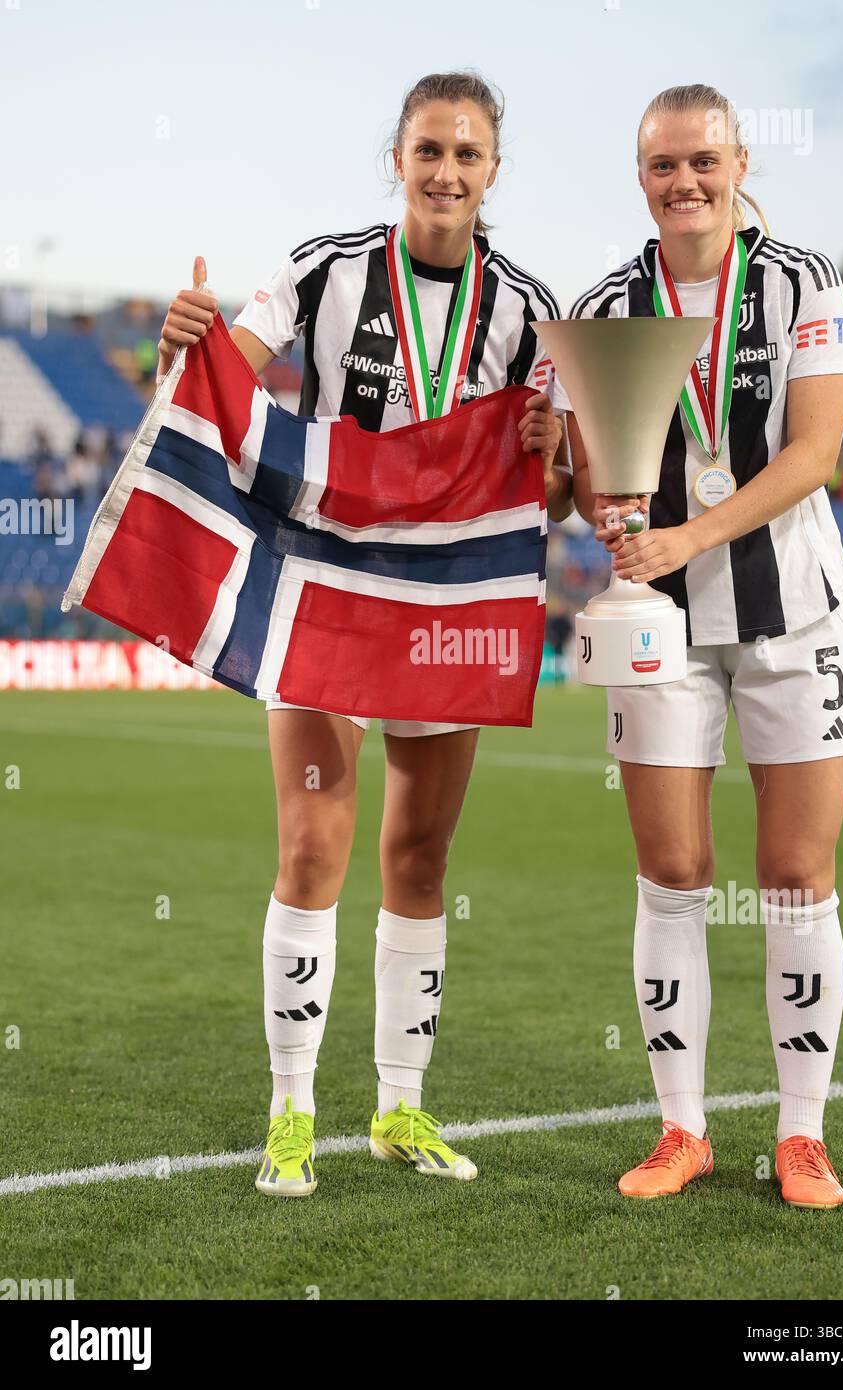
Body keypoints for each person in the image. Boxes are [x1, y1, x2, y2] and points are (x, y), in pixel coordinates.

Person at [157, 70, 572, 1198]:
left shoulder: (532, 307)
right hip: (330, 583)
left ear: (494, 171)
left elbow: (561, 494)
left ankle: (399, 1106)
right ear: (395, 156)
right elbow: (217, 383)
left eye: (468, 154)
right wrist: (177, 344)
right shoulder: (322, 268)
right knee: (311, 847)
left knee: (420, 856)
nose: (446, 171)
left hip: (451, 601)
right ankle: (291, 1111)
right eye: (428, 149)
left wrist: (558, 449)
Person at [561, 84, 843, 1209]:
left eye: (701, 162)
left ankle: (801, 1134)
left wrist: (690, 530)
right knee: (673, 874)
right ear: (638, 177)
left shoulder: (801, 282)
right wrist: (592, 489)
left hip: (793, 615)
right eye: (660, 167)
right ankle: (682, 1128)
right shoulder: (602, 303)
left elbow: (814, 453)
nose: (682, 183)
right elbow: (588, 475)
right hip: (661, 629)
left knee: (794, 877)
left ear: (737, 163)